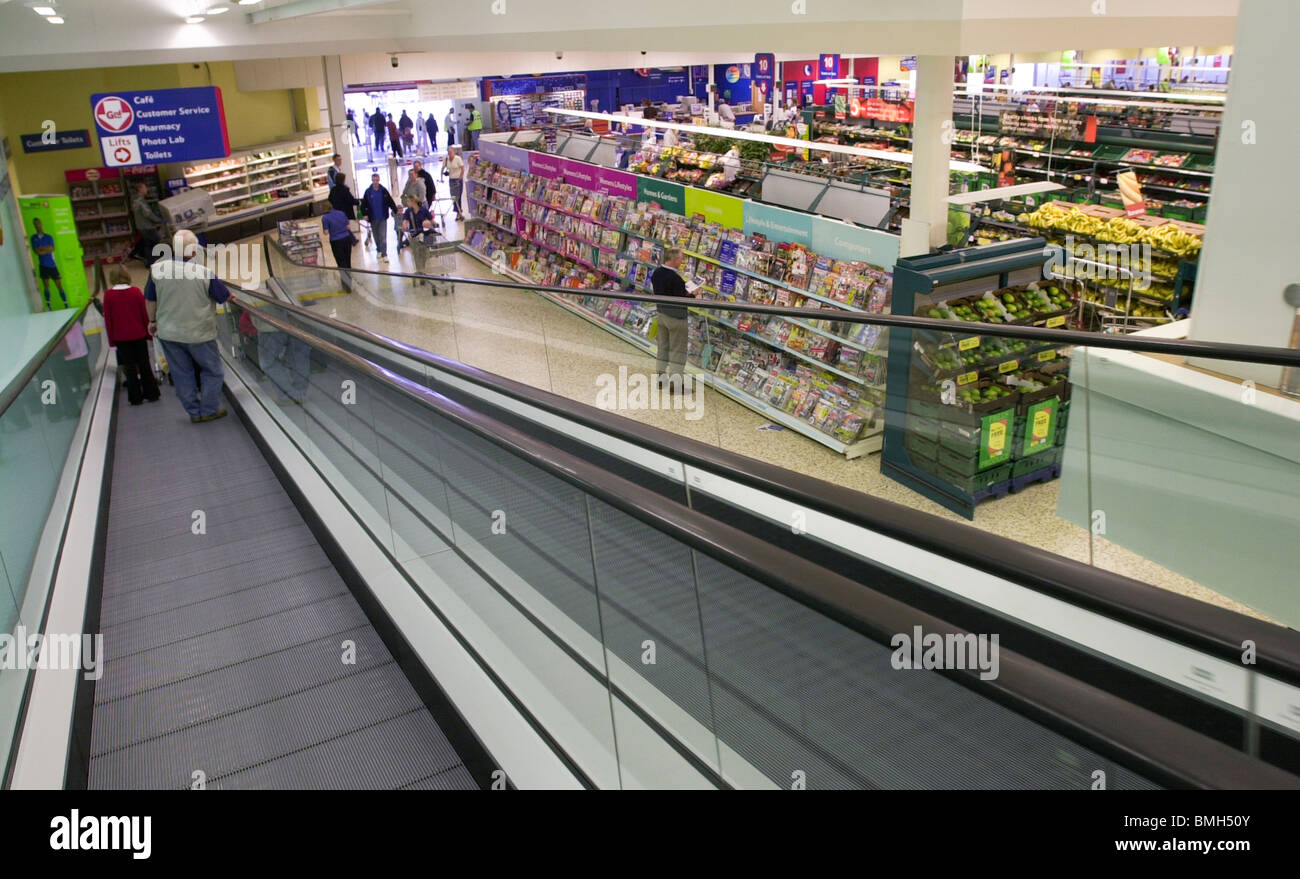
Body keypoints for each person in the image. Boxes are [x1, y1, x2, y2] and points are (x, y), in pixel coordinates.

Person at [145, 229, 233, 423]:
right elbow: (223, 296)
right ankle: (209, 409)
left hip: (169, 333)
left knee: (182, 373)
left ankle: (193, 412)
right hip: (199, 333)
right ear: (194, 251)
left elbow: (150, 299)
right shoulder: (203, 273)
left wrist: (152, 321)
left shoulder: (157, 270)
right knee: (212, 370)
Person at [103, 265, 160, 406]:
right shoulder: (135, 292)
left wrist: (111, 341)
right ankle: (152, 393)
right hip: (139, 334)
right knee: (144, 364)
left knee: (129, 367)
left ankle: (135, 397)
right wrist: (149, 333)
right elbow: (144, 314)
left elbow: (108, 320)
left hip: (120, 337)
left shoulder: (108, 295)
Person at [651, 248, 698, 393]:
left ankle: (660, 378)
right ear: (674, 260)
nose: (682, 262)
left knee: (663, 347)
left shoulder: (656, 273)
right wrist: (693, 294)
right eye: (681, 259)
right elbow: (681, 300)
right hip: (676, 318)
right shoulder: (675, 278)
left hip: (661, 315)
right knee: (678, 351)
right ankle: (675, 385)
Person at [29, 218, 67, 310]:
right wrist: (45, 249)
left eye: (38, 223)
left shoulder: (48, 237)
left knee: (59, 285)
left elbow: (52, 249)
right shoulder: (34, 238)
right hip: (43, 265)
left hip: (52, 265)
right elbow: (37, 252)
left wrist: (42, 248)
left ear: (41, 224)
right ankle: (49, 306)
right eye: (35, 224)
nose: (37, 225)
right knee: (46, 286)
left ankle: (66, 304)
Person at [360, 172, 397, 262]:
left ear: (379, 180)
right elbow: (363, 204)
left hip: (382, 218)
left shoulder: (383, 191)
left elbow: (390, 201)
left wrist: (395, 210)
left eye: (377, 180)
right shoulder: (368, 192)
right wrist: (364, 214)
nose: (375, 182)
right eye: (374, 180)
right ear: (372, 181)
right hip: (373, 218)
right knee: (376, 236)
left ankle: (385, 254)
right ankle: (379, 250)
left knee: (383, 236)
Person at [401, 195, 435, 283]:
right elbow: (405, 220)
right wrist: (404, 225)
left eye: (408, 201)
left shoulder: (423, 210)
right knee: (416, 254)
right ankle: (420, 271)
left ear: (413, 202)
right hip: (414, 236)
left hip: (425, 235)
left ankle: (423, 270)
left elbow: (431, 220)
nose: (407, 203)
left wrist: (430, 224)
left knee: (424, 253)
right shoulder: (409, 211)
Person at [130, 181, 166, 265]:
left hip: (141, 226)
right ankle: (156, 262)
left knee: (148, 244)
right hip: (147, 227)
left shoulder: (134, 200)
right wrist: (159, 220)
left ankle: (150, 262)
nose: (146, 189)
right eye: (145, 187)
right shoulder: (141, 201)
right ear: (140, 189)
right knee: (156, 242)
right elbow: (148, 214)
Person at [321, 200, 355, 271]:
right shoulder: (341, 213)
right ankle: (350, 278)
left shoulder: (325, 218)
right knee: (347, 260)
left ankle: (345, 281)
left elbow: (326, 232)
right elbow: (348, 226)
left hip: (336, 241)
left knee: (341, 262)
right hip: (346, 238)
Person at [441, 145, 465, 221]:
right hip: (451, 179)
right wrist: (441, 177)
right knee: (453, 197)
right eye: (448, 152)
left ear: (454, 152)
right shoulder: (446, 159)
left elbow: (462, 168)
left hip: (458, 179)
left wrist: (461, 177)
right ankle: (457, 211)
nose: (449, 153)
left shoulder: (458, 159)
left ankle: (459, 212)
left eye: (451, 152)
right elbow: (443, 168)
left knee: (458, 196)